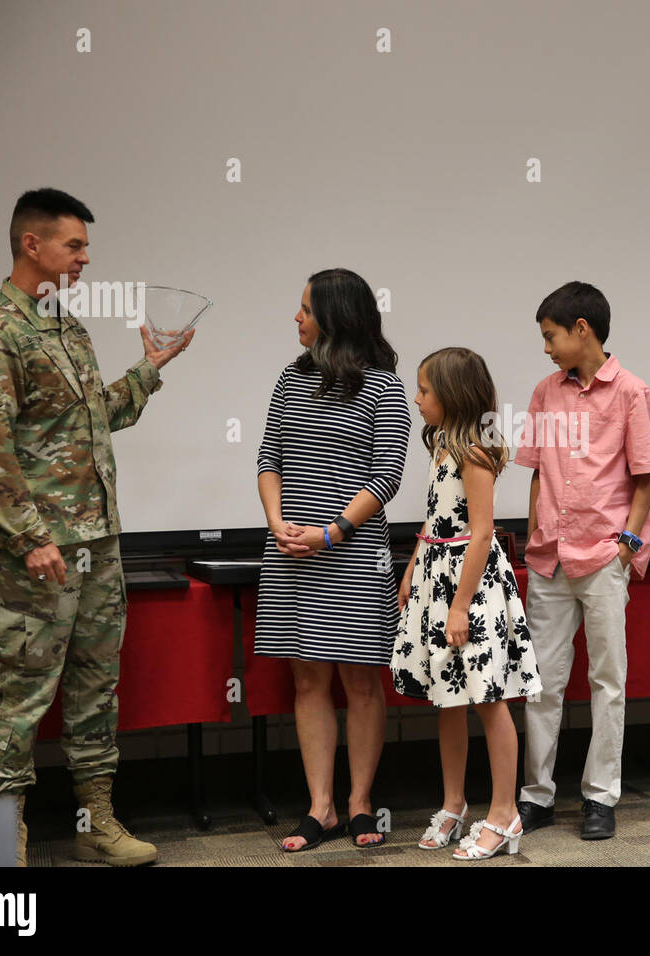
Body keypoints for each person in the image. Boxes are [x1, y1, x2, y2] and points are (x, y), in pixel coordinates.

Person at [0, 187, 192, 867]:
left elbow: (89, 420)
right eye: (75, 245)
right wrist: (30, 539)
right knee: (25, 695)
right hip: (39, 553)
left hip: (96, 548)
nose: (86, 257)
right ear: (33, 244)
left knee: (93, 687)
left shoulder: (65, 326)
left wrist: (148, 372)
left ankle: (95, 823)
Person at [256, 268, 411, 851]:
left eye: (305, 309)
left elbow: (386, 475)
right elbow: (268, 458)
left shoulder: (384, 386)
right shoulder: (289, 379)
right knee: (306, 677)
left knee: (360, 680)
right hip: (292, 550)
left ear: (337, 317)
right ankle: (320, 809)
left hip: (352, 551)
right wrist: (278, 525)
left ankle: (360, 805)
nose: (295, 318)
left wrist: (333, 531)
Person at [515, 281, 650, 841]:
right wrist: (532, 535)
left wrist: (627, 546)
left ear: (582, 330)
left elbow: (645, 477)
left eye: (551, 336)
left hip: (603, 555)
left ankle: (601, 798)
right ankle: (537, 795)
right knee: (542, 681)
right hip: (549, 557)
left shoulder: (632, 392)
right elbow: (535, 471)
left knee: (607, 679)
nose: (546, 348)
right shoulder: (545, 392)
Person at [394, 347, 542, 860]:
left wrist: (459, 608)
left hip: (470, 587)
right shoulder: (440, 447)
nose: (417, 399)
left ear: (453, 395)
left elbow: (480, 535)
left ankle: (505, 813)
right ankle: (454, 803)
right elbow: (437, 518)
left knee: (488, 697)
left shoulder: (475, 452)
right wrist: (414, 566)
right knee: (447, 697)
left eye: (425, 390)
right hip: (438, 576)